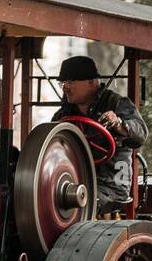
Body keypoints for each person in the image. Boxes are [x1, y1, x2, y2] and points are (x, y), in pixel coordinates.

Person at [50, 54, 146, 213]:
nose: (65, 87)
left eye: (70, 82)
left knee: (75, 206)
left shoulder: (117, 104)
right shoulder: (63, 115)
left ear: (91, 82)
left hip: (111, 188)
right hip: (74, 184)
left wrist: (119, 124)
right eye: (63, 83)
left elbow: (141, 134)